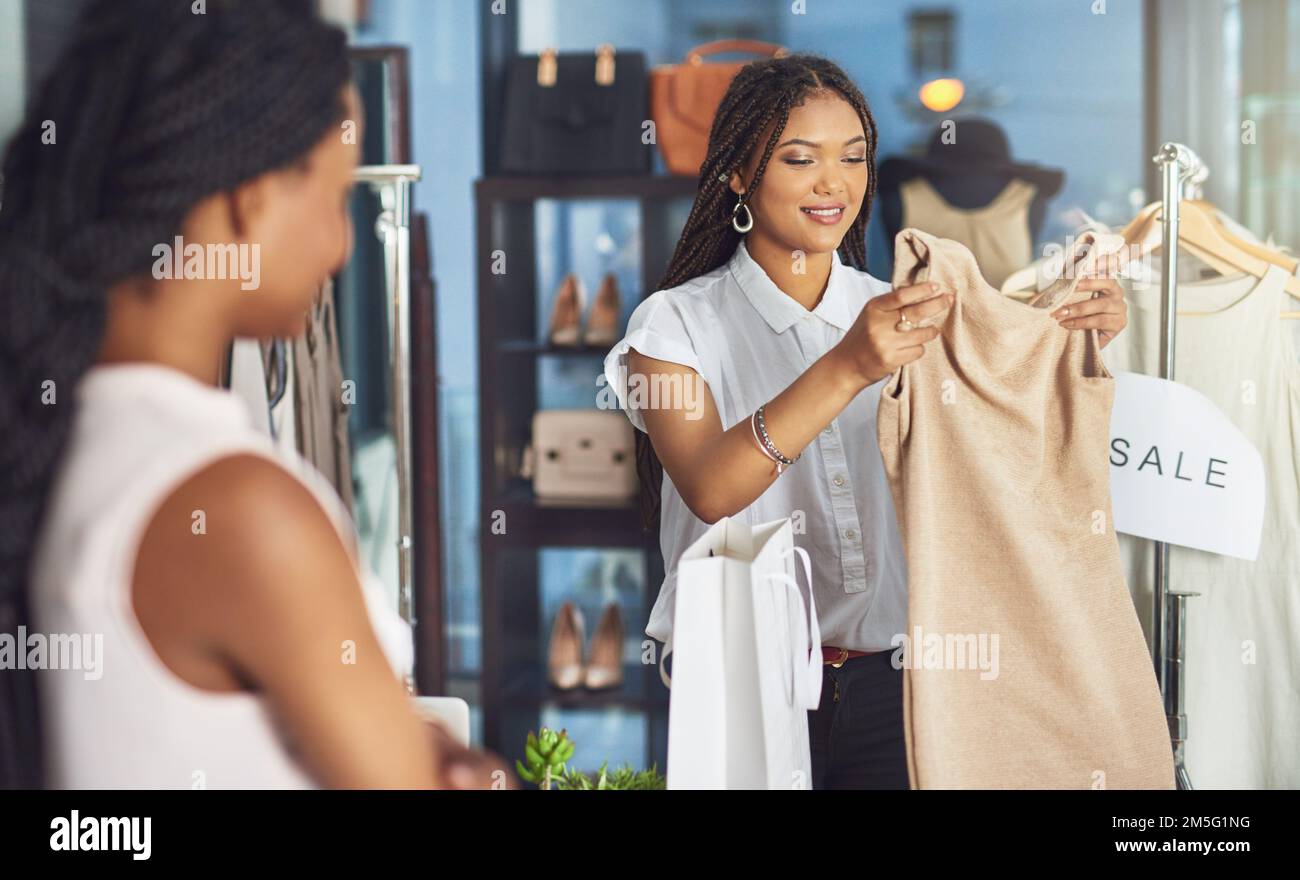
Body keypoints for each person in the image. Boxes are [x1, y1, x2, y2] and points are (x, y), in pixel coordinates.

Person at [0, 0, 509, 789]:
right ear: (251, 197)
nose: (340, 247)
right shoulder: (237, 508)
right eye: (336, 198)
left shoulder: (50, 440)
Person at [604, 53, 1127, 789]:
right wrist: (848, 365)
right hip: (744, 680)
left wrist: (1070, 338)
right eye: (799, 158)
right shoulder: (675, 326)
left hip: (902, 684)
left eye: (853, 159)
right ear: (737, 176)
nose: (834, 184)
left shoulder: (900, 307)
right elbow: (711, 488)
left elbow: (1002, 449)